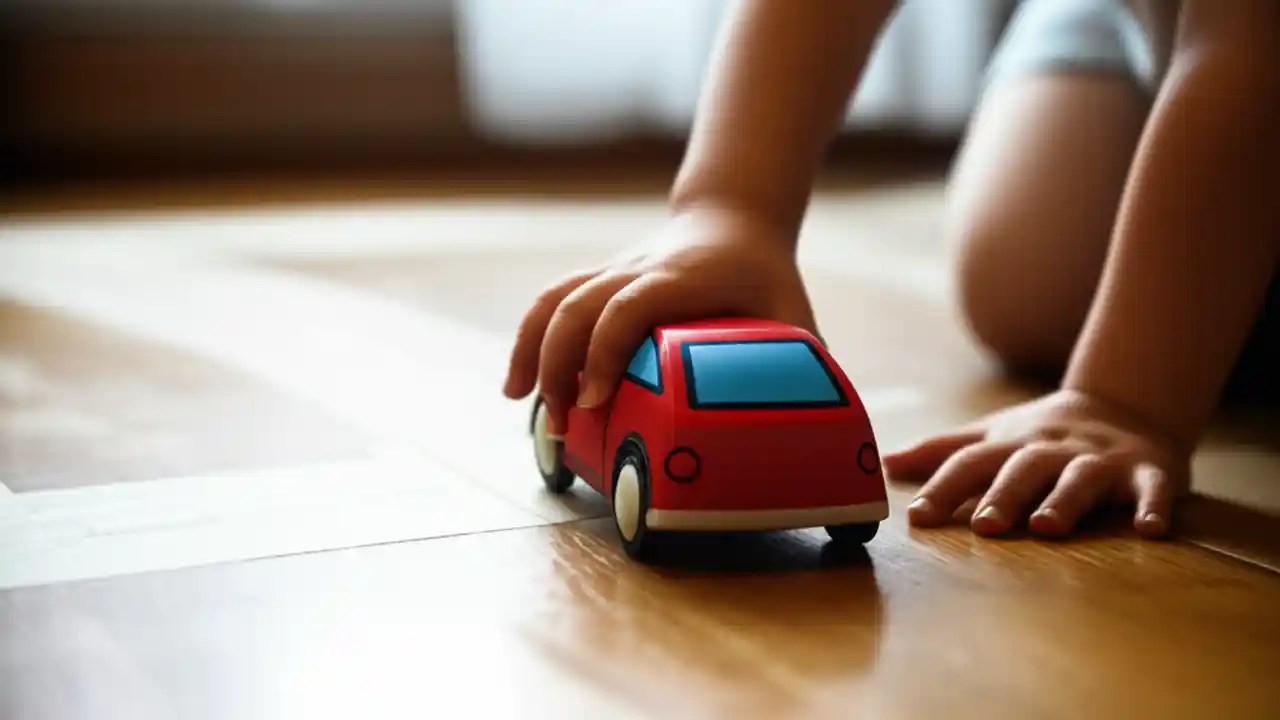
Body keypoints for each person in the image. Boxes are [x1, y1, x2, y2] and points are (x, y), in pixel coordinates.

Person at [501, 0, 1279, 539]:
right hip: (1124, 23)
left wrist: (1127, 402)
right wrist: (731, 207)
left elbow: (1251, 52)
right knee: (1025, 283)